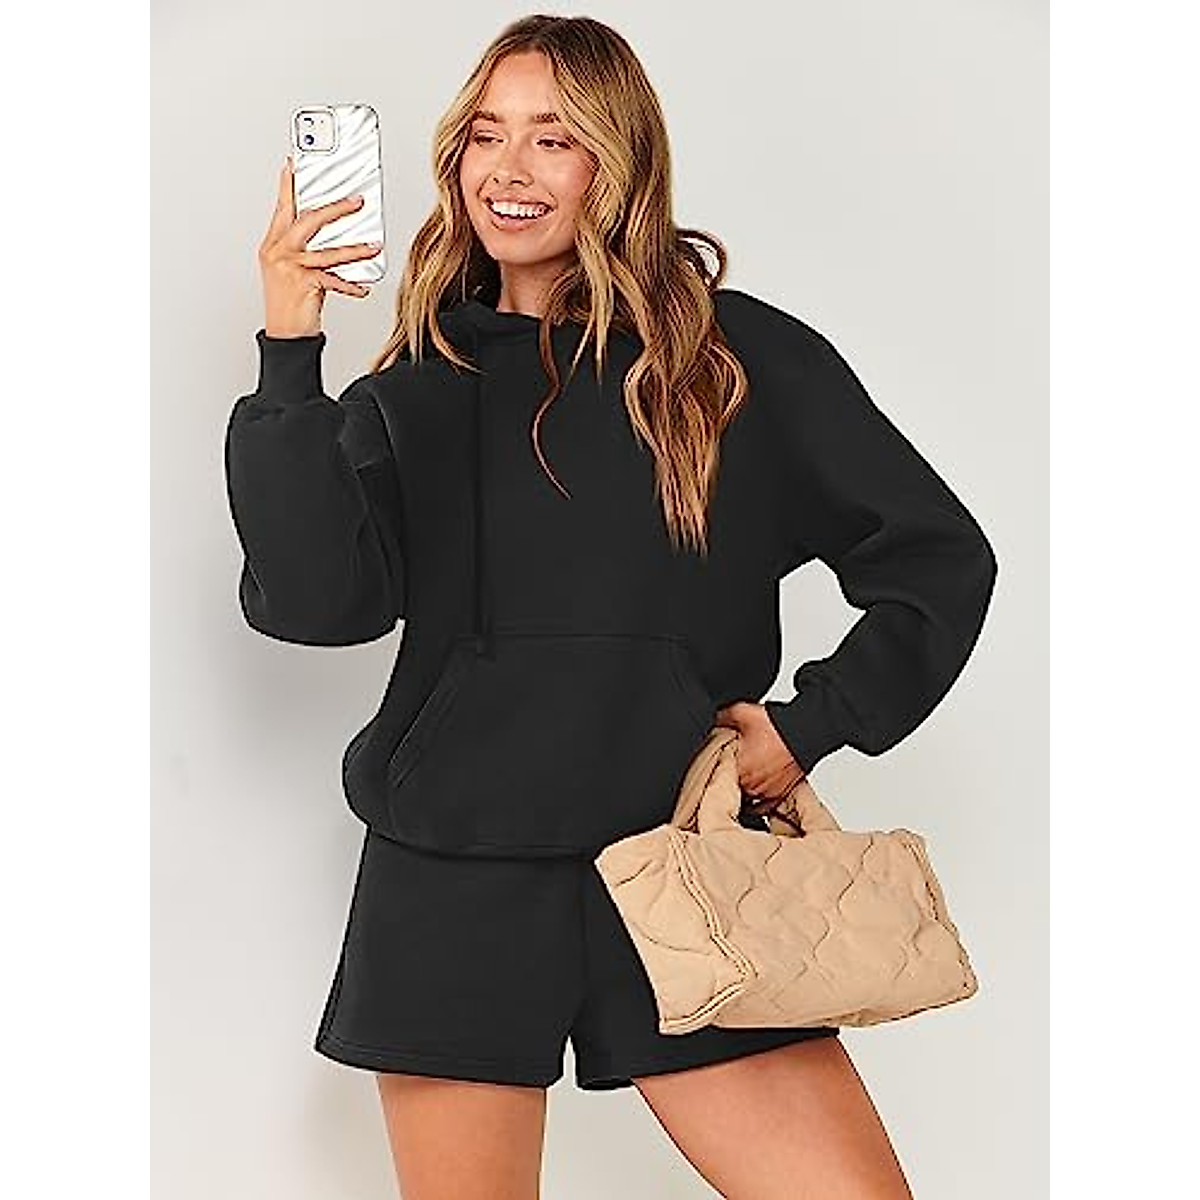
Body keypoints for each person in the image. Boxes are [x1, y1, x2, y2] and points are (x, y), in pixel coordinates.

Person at [224, 14, 996, 1199]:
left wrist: (812, 725)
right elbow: (316, 606)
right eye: (486, 135)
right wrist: (291, 343)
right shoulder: (419, 388)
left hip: (686, 859)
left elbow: (939, 557)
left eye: (554, 138)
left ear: (616, 162)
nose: (510, 169)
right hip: (453, 882)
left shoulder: (734, 365)